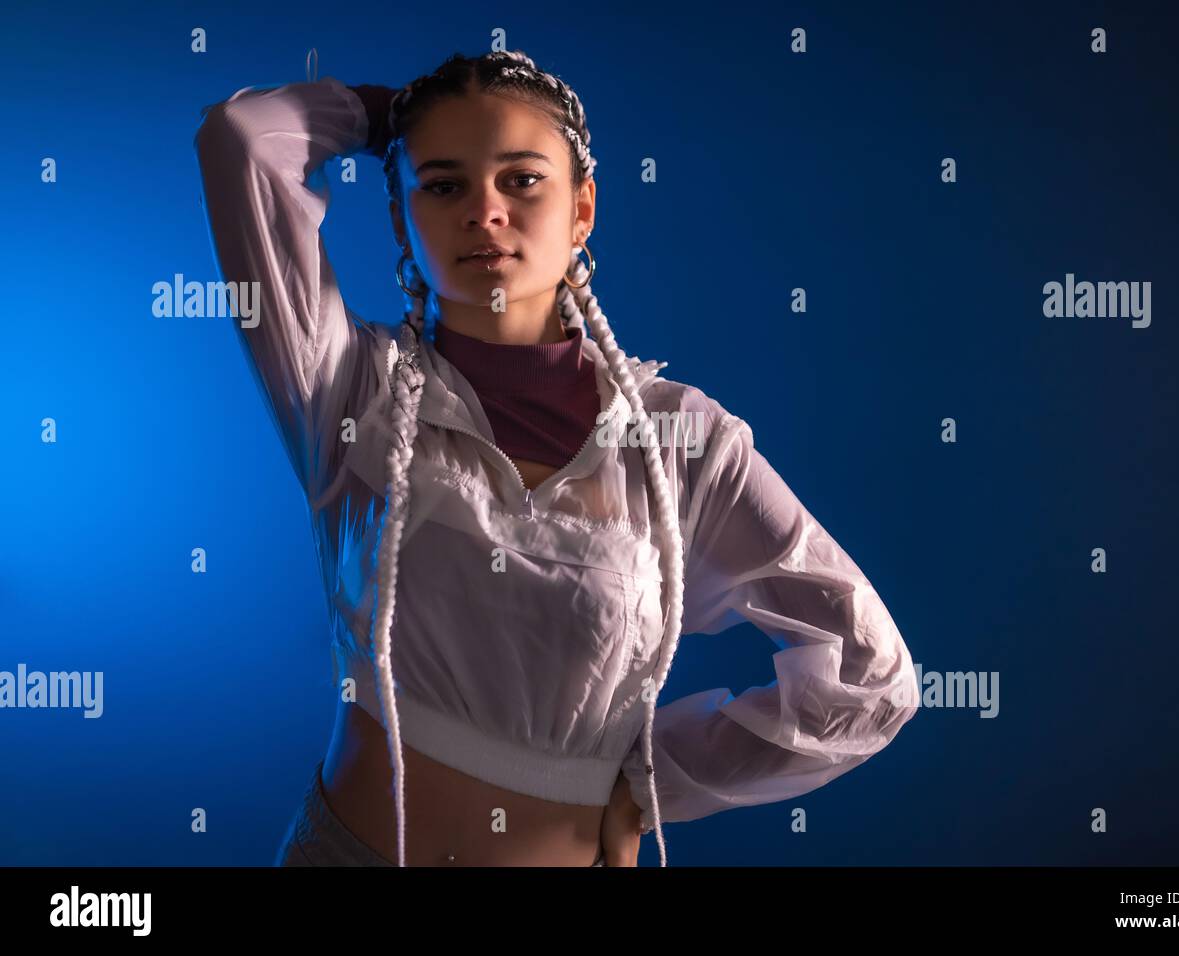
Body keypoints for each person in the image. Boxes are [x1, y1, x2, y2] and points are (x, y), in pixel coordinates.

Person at [193, 49, 920, 868]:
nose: (484, 211)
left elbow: (870, 675)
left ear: (582, 210)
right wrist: (381, 112)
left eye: (522, 179)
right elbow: (243, 140)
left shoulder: (682, 440)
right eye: (443, 184)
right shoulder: (347, 387)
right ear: (402, 219)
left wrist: (654, 787)